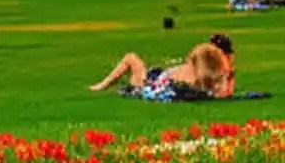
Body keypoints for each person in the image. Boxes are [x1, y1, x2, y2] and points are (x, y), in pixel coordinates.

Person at [88, 43, 231, 100]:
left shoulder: (193, 78)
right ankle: (102, 85)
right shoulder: (195, 79)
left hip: (152, 85)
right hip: (153, 82)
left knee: (132, 59)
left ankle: (101, 85)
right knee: (133, 60)